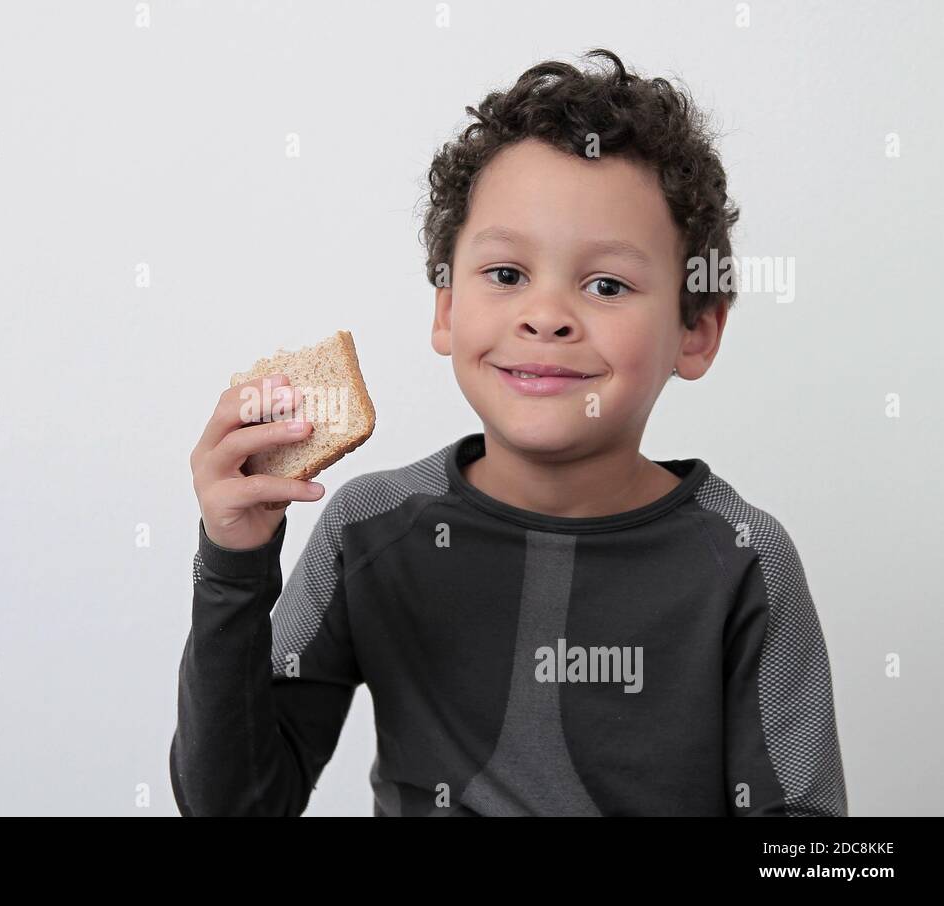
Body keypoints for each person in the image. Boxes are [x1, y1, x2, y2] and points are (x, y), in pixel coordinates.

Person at [170, 48, 848, 817]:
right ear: (446, 309)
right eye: (505, 275)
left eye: (606, 285)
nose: (546, 314)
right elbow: (233, 805)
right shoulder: (370, 529)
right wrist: (234, 562)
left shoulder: (743, 558)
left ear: (696, 331)